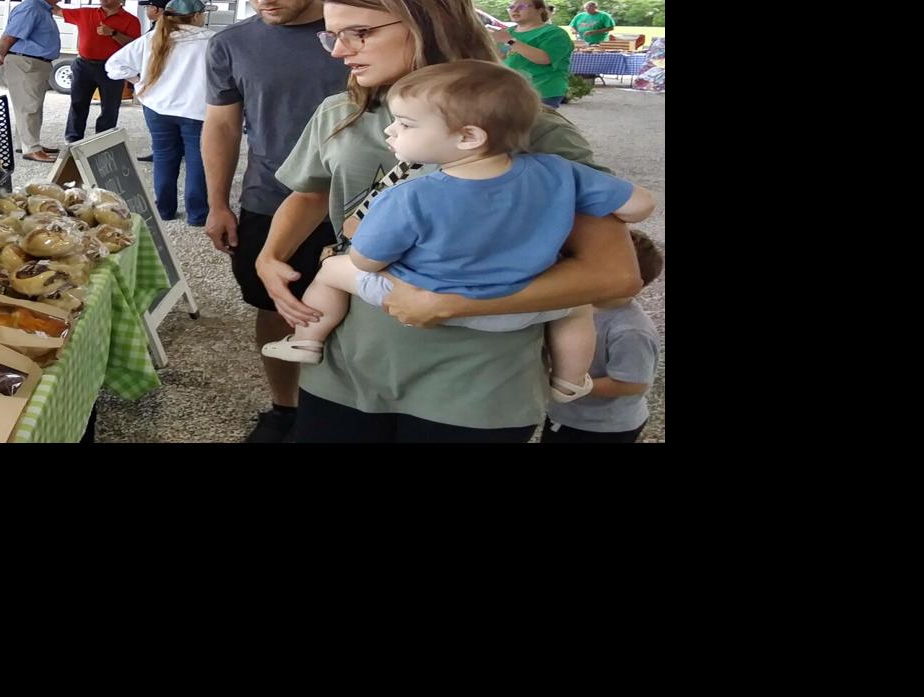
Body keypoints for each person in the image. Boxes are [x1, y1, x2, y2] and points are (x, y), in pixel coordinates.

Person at [258, 0, 643, 443]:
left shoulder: (524, 126)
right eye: (332, 35)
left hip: (478, 383)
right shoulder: (343, 111)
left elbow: (613, 275)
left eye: (359, 32)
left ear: (429, 23)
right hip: (348, 365)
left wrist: (454, 304)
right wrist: (271, 256)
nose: (339, 51)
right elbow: (311, 192)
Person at [202, 0, 349, 442]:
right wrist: (217, 203)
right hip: (271, 198)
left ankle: (346, 412)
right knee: (277, 307)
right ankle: (286, 408)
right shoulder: (231, 43)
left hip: (365, 202)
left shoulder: (364, 30)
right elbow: (222, 126)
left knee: (364, 314)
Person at [542, 230, 661, 443]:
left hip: (603, 426)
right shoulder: (580, 306)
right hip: (567, 415)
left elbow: (634, 384)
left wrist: (574, 386)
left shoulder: (631, 331)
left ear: (631, 283)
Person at [106, 0, 212, 224]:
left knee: (163, 157)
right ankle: (197, 214)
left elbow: (114, 66)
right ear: (196, 16)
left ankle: (164, 210)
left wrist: (139, 83)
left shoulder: (152, 38)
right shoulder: (211, 40)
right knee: (198, 160)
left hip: (157, 108)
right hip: (197, 111)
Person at [0, 0, 64, 164]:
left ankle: (26, 143)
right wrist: (2, 57)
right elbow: (7, 38)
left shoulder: (42, 8)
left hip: (35, 62)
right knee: (28, 106)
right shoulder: (31, 7)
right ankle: (31, 148)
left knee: (31, 105)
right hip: (25, 61)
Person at [60, 0, 140, 145]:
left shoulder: (131, 20)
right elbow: (57, 10)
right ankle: (72, 140)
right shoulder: (85, 12)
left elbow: (134, 46)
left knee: (110, 107)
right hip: (83, 64)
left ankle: (103, 142)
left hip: (112, 68)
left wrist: (113, 33)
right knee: (78, 103)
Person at [491, 1, 572, 107]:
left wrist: (510, 40)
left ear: (540, 10)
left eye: (522, 6)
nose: (515, 10)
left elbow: (544, 58)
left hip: (542, 91)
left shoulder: (554, 33)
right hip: (509, 90)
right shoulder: (507, 32)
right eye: (511, 7)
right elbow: (501, 57)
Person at [132, 0, 170, 161]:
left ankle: (162, 152)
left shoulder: (161, 29)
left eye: (148, 7)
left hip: (156, 83)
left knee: (159, 123)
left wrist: (137, 82)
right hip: (159, 82)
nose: (147, 9)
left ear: (155, 9)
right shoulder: (159, 26)